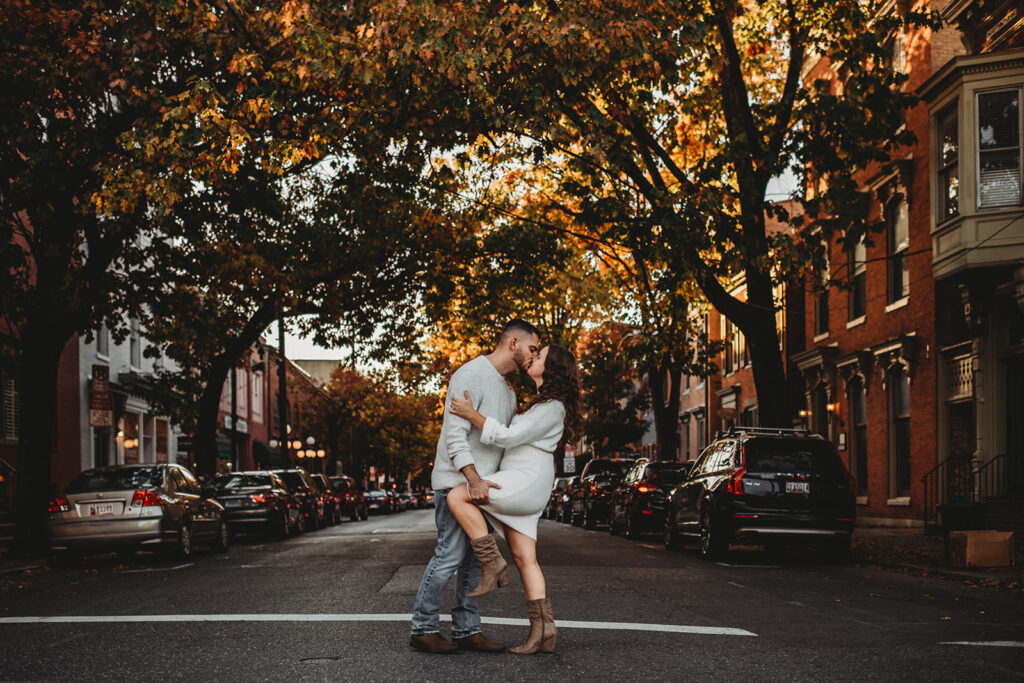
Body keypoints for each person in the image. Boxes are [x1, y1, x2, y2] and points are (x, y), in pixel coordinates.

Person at [409, 319, 541, 655]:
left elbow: (503, 442)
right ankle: (423, 627)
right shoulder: (469, 375)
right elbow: (455, 438)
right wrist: (473, 478)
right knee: (450, 554)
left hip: (484, 490)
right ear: (513, 343)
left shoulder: (509, 393)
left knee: (473, 563)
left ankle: (467, 629)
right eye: (532, 349)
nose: (534, 357)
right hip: (458, 484)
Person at [447, 344, 581, 655]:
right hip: (525, 477)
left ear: (553, 369)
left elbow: (506, 437)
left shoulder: (552, 407)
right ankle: (544, 631)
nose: (533, 357)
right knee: (525, 558)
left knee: (458, 496)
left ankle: (492, 562)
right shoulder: (543, 404)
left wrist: (470, 414)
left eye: (541, 356)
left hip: (525, 479)